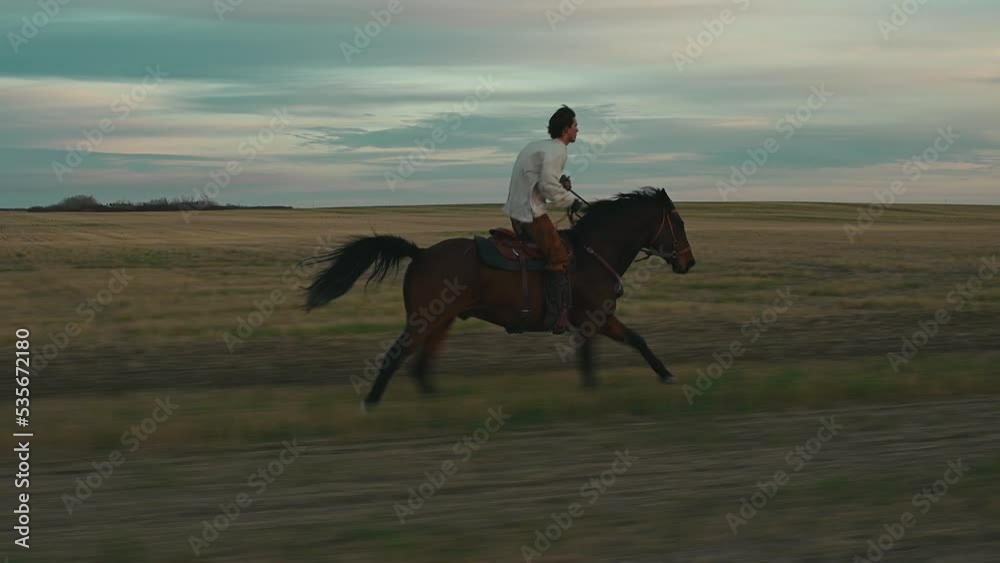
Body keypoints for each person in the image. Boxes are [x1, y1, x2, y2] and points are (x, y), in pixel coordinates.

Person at [502, 105, 582, 334]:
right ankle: (558, 318)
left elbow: (543, 178)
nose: (578, 130)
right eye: (575, 125)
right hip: (530, 213)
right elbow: (546, 185)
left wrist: (561, 182)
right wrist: (571, 202)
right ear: (566, 129)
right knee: (559, 256)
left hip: (516, 211)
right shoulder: (558, 150)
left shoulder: (538, 146)